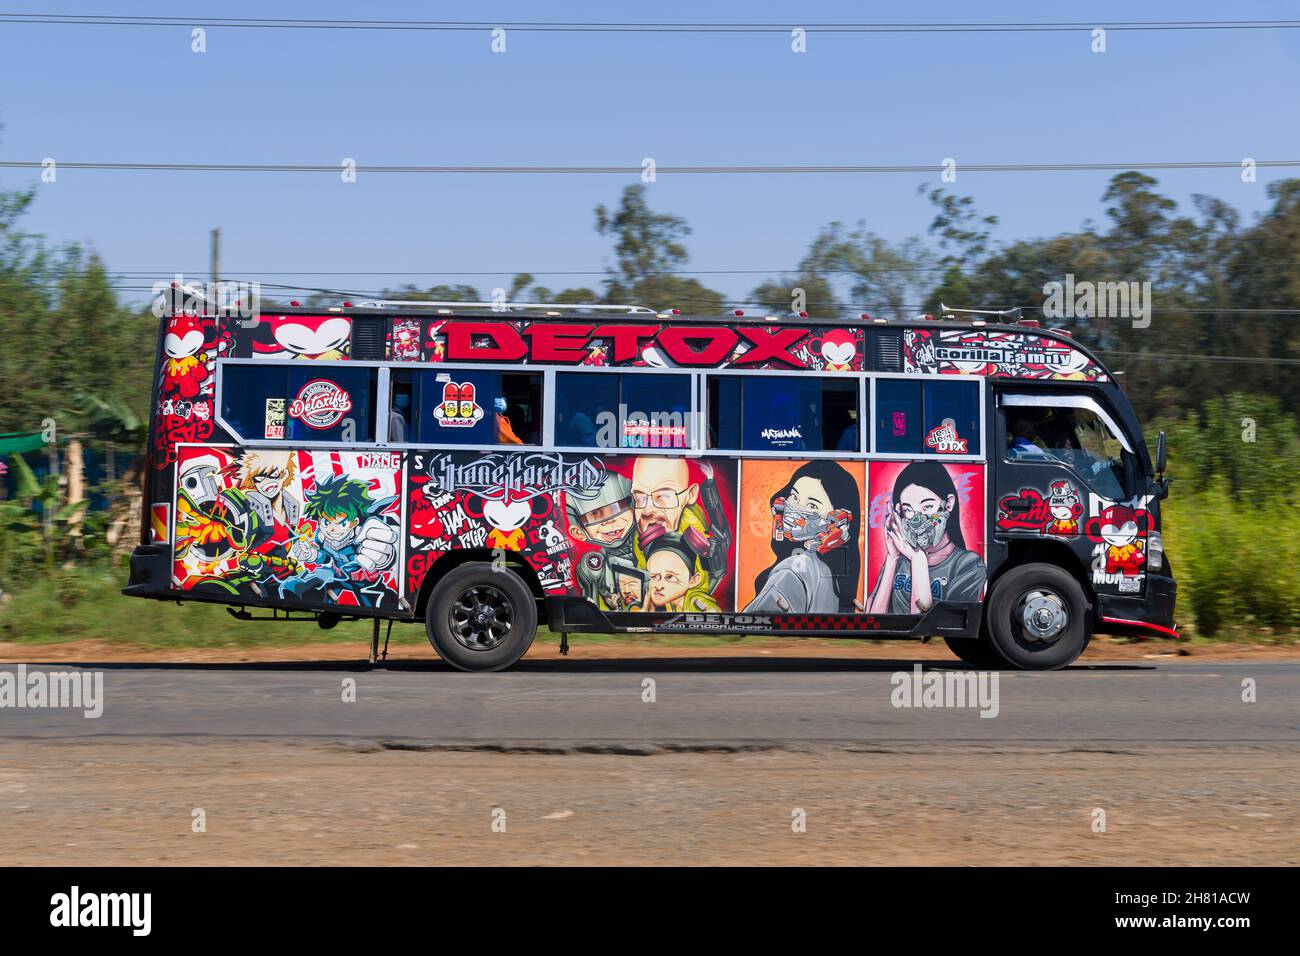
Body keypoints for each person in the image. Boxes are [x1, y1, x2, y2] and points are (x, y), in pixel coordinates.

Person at [866, 461, 986, 614]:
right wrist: (892, 559)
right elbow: (874, 621)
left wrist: (918, 560)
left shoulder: (969, 565)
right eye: (908, 510)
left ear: (948, 504)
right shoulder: (899, 558)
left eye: (927, 507)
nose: (917, 520)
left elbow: (923, 623)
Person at [745, 460, 861, 614]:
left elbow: (758, 623)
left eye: (812, 505)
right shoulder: (829, 572)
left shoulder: (793, 570)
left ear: (837, 519)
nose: (795, 507)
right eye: (794, 496)